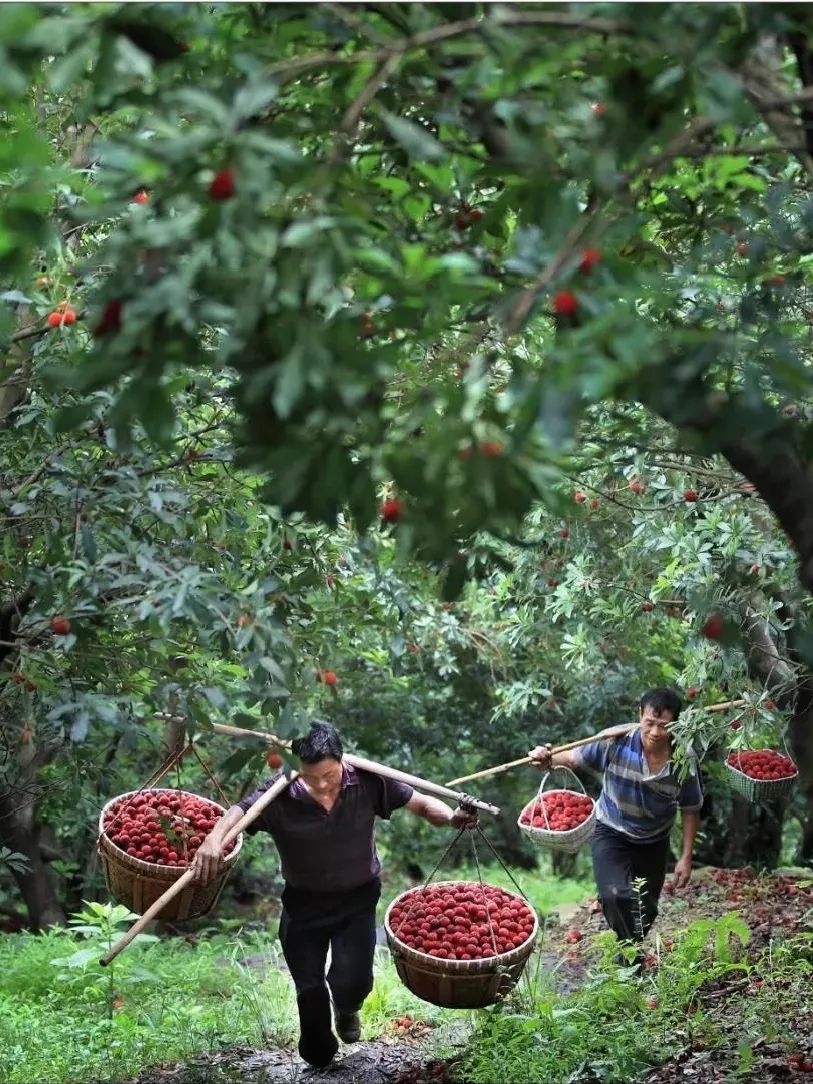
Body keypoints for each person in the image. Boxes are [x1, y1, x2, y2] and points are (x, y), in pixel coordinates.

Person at [191, 721, 477, 1070]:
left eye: (329, 774)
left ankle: (347, 1008)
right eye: (311, 777)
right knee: (308, 986)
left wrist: (451, 817)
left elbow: (420, 804)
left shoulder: (369, 780)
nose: (322, 784)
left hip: (357, 899)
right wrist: (212, 841)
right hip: (303, 903)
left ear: (342, 760)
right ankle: (319, 1056)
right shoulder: (277, 794)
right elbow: (237, 812)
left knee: (354, 980)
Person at [528, 687, 701, 958]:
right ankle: (630, 958)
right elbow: (573, 757)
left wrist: (686, 857)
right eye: (650, 723)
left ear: (676, 724)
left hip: (654, 840)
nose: (655, 732)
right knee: (614, 895)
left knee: (646, 908)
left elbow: (691, 808)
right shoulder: (616, 740)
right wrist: (547, 759)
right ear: (639, 716)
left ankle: (628, 954)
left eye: (664, 726)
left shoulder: (683, 758)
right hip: (611, 831)